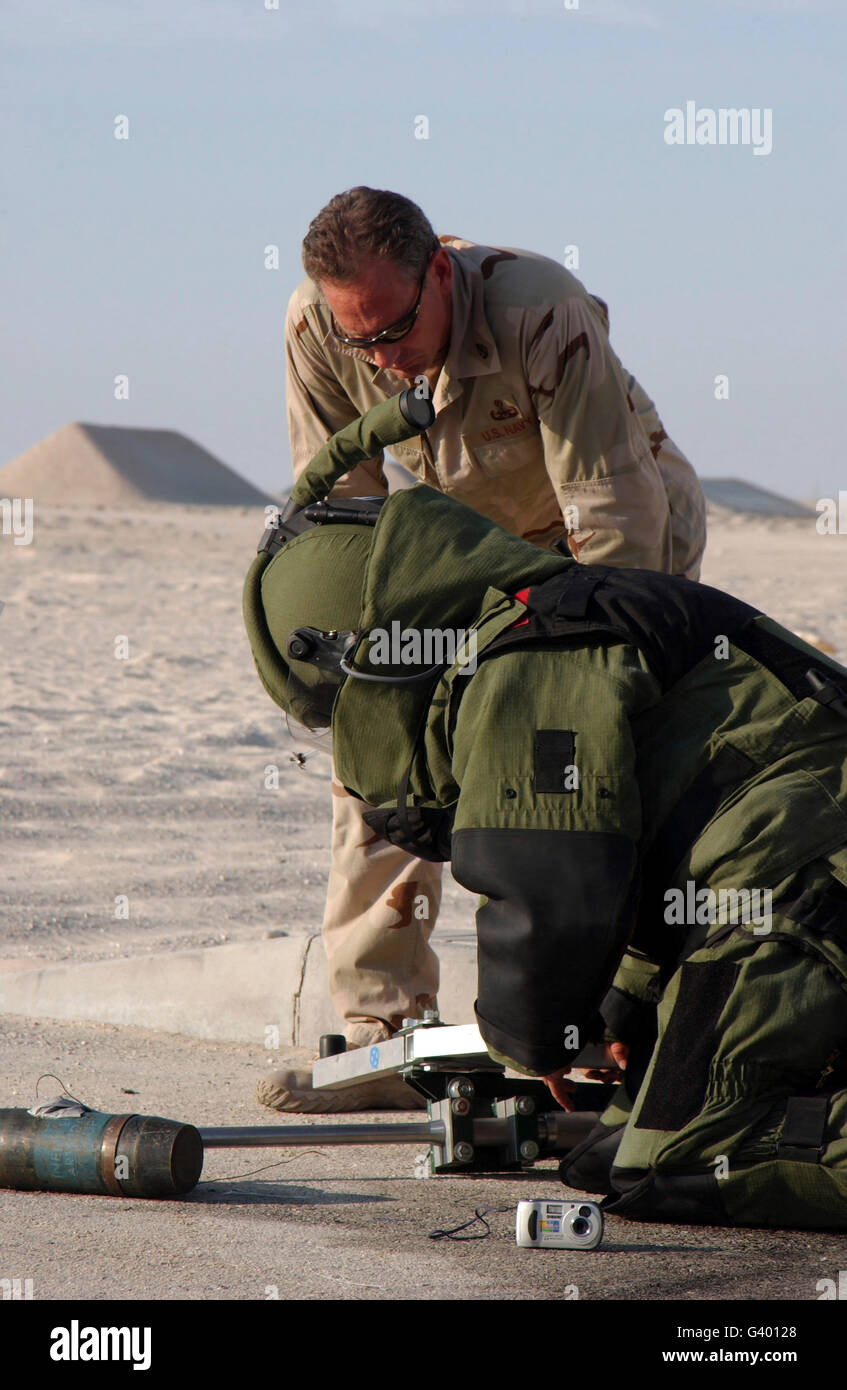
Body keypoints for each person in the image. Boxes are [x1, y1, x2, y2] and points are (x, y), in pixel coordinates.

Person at [242, 399, 847, 1228]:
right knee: (609, 1153)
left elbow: (552, 885)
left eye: (329, 711)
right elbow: (650, 858)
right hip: (780, 890)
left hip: (802, 901)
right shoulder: (542, 620)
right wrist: (614, 1017)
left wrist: (536, 1043)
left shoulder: (528, 658)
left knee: (674, 1167)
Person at [262, 185, 707, 1113]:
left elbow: (613, 511)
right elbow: (344, 522)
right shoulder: (318, 326)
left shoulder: (539, 308)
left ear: (438, 272)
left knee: (592, 750)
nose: (381, 358)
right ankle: (381, 1025)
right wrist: (371, 670)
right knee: (379, 741)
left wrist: (592, 666)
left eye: (394, 329)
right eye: (361, 340)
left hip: (602, 521)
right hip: (451, 539)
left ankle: (609, 1016)